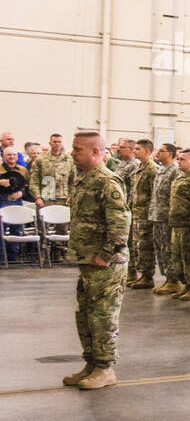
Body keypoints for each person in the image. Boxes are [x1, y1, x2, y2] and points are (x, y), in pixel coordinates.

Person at [61, 132, 129, 391]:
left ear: (95, 152)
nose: (73, 153)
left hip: (105, 264)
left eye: (77, 149)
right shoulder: (84, 179)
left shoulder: (106, 181)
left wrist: (106, 254)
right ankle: (91, 363)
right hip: (88, 260)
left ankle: (105, 368)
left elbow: (120, 224)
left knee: (103, 316)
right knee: (86, 314)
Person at [168, 149, 190, 299]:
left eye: (182, 159)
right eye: (178, 159)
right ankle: (186, 284)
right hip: (176, 223)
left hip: (188, 224)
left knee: (189, 258)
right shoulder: (179, 176)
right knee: (178, 257)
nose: (178, 162)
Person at [149, 144, 180, 294]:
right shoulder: (161, 169)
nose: (158, 153)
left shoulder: (175, 170)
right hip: (157, 215)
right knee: (161, 249)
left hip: (167, 217)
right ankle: (167, 278)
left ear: (170, 154)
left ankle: (173, 280)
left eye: (161, 151)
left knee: (169, 249)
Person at [126, 139, 157, 288]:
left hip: (145, 214)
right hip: (136, 213)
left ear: (147, 151)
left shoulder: (152, 169)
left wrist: (151, 215)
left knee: (145, 246)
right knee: (136, 245)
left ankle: (147, 276)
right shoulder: (140, 167)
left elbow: (154, 194)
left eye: (138, 149)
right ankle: (141, 274)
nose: (134, 151)